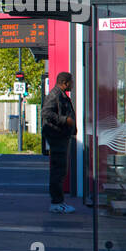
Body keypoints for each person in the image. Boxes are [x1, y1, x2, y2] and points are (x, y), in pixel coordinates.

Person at [41, 72, 77, 213]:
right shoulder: (55, 95)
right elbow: (46, 113)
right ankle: (56, 203)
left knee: (61, 170)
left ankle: (59, 202)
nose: (73, 84)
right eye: (71, 82)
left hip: (61, 137)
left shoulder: (61, 94)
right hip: (57, 137)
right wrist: (65, 120)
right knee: (58, 170)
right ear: (65, 83)